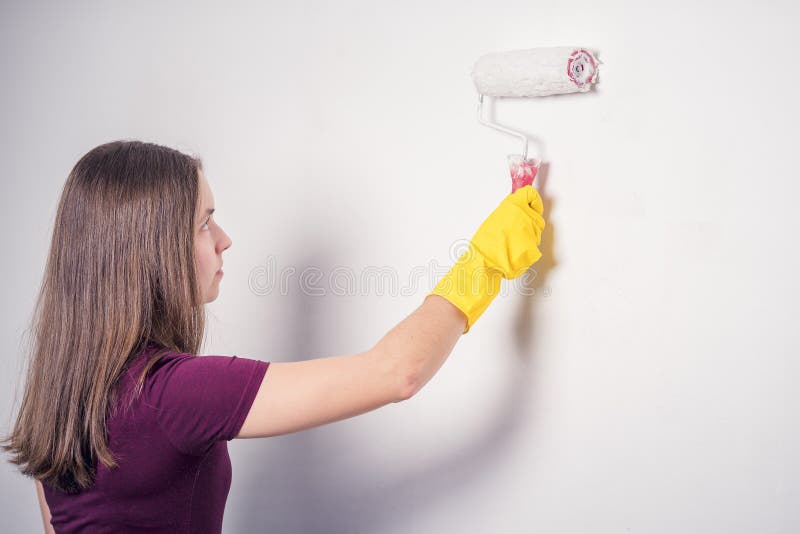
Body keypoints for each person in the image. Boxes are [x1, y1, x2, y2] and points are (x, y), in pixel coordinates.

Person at [1, 140, 546, 533]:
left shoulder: (61, 394)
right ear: (151, 251)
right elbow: (396, 371)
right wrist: (485, 260)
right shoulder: (174, 393)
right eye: (204, 222)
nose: (224, 239)